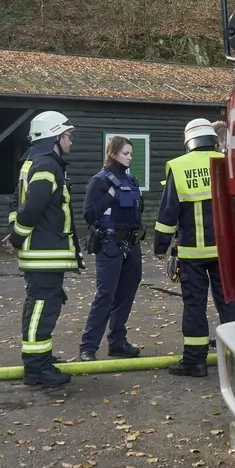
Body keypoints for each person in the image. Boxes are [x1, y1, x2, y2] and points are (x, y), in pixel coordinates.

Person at [154, 119, 235, 377]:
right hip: (225, 253)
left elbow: (167, 213)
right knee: (230, 304)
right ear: (213, 140)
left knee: (194, 306)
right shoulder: (228, 164)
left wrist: (160, 246)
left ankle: (195, 362)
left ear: (188, 142)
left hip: (192, 254)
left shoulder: (179, 167)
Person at [5, 111, 83, 387]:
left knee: (40, 306)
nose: (71, 141)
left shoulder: (33, 164)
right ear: (55, 137)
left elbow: (16, 203)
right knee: (42, 308)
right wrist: (17, 236)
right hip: (44, 253)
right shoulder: (47, 166)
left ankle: (40, 359)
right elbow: (32, 208)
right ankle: (37, 369)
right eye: (68, 136)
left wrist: (15, 232)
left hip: (42, 252)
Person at [78, 136, 144, 361]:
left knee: (126, 294)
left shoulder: (132, 180)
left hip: (131, 244)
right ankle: (88, 347)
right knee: (105, 295)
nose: (130, 157)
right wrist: (109, 196)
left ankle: (117, 342)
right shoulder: (99, 181)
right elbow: (89, 214)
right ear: (113, 153)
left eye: (131, 153)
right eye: (126, 153)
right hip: (109, 244)